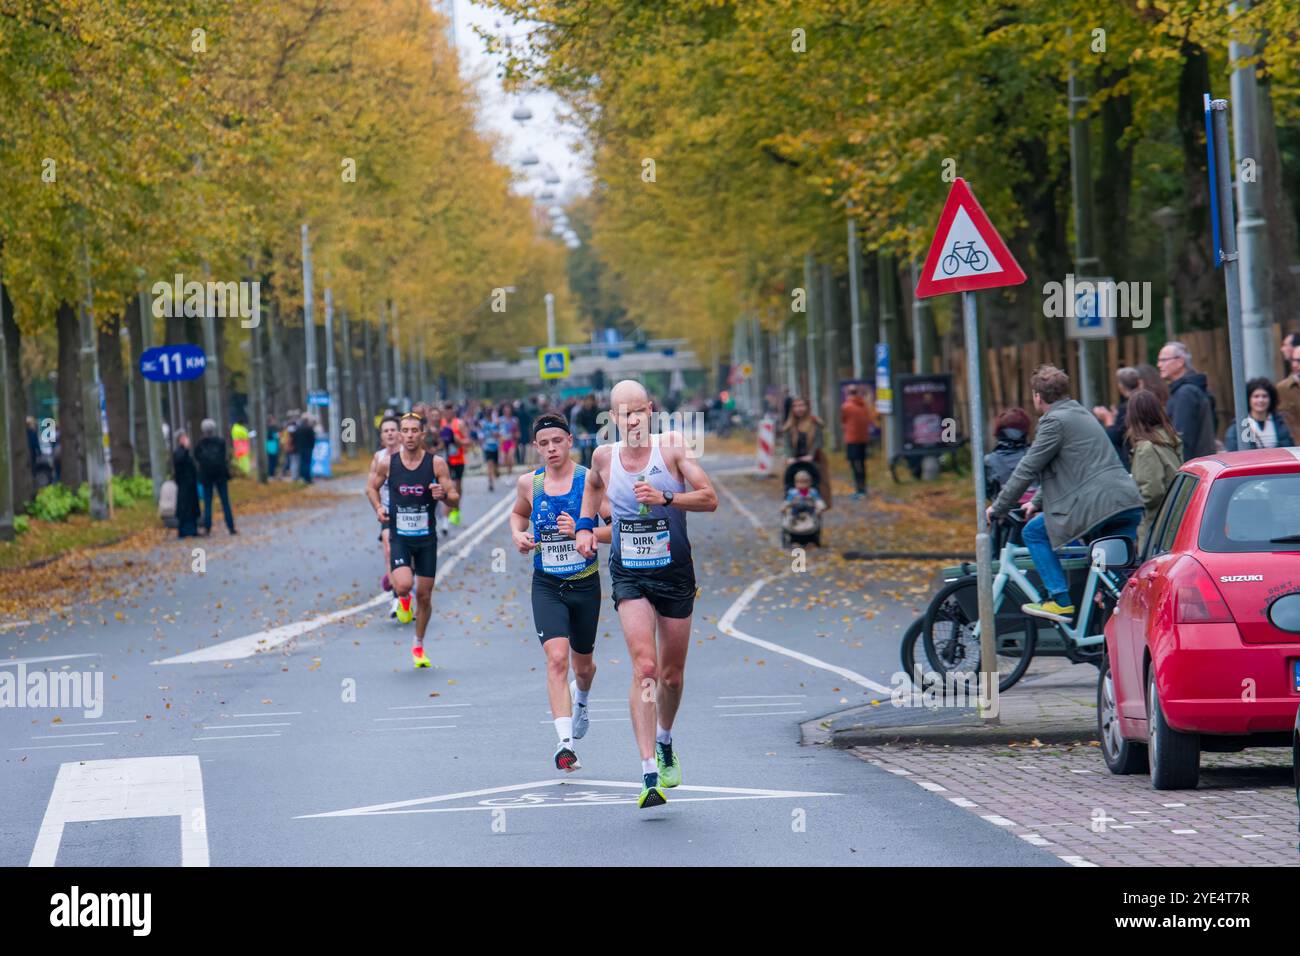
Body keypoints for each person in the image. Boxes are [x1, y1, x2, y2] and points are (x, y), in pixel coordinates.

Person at [575, 380, 718, 810]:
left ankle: (665, 740)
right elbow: (593, 490)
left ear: (650, 411)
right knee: (647, 668)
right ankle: (648, 775)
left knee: (672, 677)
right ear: (612, 418)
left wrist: (666, 497)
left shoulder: (672, 447)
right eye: (624, 413)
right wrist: (584, 528)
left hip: (674, 572)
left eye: (639, 411)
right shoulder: (603, 457)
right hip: (629, 574)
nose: (633, 419)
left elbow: (710, 498)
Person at [988, 365, 1144, 625]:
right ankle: (1105, 642)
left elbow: (1029, 467)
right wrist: (1036, 503)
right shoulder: (1079, 412)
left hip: (1097, 505)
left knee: (1034, 533)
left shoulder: (1054, 422)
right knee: (1117, 584)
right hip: (1123, 501)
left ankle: (1060, 601)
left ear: (1038, 396)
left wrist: (999, 507)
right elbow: (1066, 467)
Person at [509, 413, 611, 773]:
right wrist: (518, 535)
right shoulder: (529, 484)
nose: (551, 448)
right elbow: (518, 515)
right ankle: (564, 745)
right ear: (536, 448)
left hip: (584, 582)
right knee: (556, 660)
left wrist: (585, 533)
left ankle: (581, 698)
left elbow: (617, 530)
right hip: (547, 583)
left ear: (569, 441)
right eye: (544, 443)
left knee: (583, 667)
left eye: (557, 441)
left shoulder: (590, 481)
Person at [366, 411, 457, 668]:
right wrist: (378, 508)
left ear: (422, 434)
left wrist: (443, 496)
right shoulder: (388, 463)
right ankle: (401, 597)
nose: (408, 435)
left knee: (425, 597)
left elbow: (454, 497)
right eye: (404, 430)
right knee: (404, 585)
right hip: (400, 536)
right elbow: (371, 487)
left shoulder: (436, 464)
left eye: (413, 430)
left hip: (426, 538)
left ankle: (418, 645)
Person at [1126, 390, 1183, 549]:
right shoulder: (1170, 440)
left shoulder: (1146, 448)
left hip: (1156, 528)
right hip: (1174, 521)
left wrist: (1133, 504)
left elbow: (1152, 492)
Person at [1158, 340, 1217, 460]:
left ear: (1180, 362)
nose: (1159, 365)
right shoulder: (1191, 390)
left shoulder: (1186, 393)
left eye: (1163, 360)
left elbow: (1182, 440)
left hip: (1193, 468)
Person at [370, 415, 404, 620]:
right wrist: (378, 507)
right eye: (386, 431)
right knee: (389, 549)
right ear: (382, 437)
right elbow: (370, 487)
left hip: (411, 513)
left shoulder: (410, 454)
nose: (390, 433)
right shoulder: (378, 457)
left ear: (400, 433)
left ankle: (401, 583)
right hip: (389, 512)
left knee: (409, 559)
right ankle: (396, 599)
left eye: (393, 429)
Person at [782, 396, 832, 508]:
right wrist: (790, 456)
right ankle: (788, 502)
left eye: (801, 405)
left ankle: (818, 503)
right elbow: (787, 443)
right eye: (795, 406)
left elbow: (818, 441)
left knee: (817, 481)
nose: (799, 409)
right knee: (790, 481)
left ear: (806, 407)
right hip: (794, 460)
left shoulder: (815, 423)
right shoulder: (789, 426)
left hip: (812, 459)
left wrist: (811, 454)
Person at [1224, 377, 1295, 450]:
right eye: (1256, 396)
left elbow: (1289, 447)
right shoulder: (1238, 425)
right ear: (1248, 399)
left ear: (1271, 399)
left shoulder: (1280, 422)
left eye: (1264, 396)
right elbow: (1232, 452)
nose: (1260, 400)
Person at [1092, 366, 1141, 468]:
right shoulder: (1143, 400)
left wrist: (1107, 419)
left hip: (1131, 459)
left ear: (1121, 386)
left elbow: (1115, 437)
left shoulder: (1128, 407)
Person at [194, 418, 236, 536]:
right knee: (225, 501)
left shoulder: (200, 444)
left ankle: (207, 526)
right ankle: (230, 526)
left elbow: (197, 457)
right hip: (220, 475)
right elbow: (224, 457)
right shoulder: (220, 442)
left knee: (208, 502)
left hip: (207, 476)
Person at [983, 407, 1034, 502]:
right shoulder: (1038, 455)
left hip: (1003, 513)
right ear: (1026, 431)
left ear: (998, 431)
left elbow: (988, 494)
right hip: (1039, 512)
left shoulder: (989, 461)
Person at [840, 385, 878, 500]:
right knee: (862, 464)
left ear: (848, 393)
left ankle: (858, 489)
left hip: (852, 439)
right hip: (863, 438)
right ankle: (863, 488)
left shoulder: (846, 406)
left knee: (854, 465)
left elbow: (843, 420)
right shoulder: (864, 405)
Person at [437, 401, 469, 528]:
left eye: (450, 411)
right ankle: (446, 516)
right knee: (447, 486)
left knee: (457, 487)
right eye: (445, 411)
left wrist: (457, 440)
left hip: (458, 460)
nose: (448, 413)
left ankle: (455, 509)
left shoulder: (459, 424)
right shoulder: (440, 425)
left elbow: (468, 441)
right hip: (445, 461)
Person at [172, 430, 201, 539]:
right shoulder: (179, 452)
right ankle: (184, 530)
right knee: (185, 508)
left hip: (190, 484)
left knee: (191, 508)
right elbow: (180, 461)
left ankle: (192, 529)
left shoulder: (185, 452)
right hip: (184, 485)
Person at [1275, 350, 1300, 438]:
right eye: (1293, 360)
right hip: (1292, 447)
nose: (1295, 365)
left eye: (1299, 361)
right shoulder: (1281, 388)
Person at [479, 402, 502, 492]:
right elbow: (480, 434)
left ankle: (496, 472)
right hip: (487, 447)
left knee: (495, 466)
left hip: (495, 447)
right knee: (489, 465)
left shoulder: (495, 422)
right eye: (487, 412)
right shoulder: (482, 423)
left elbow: (499, 433)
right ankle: (490, 483)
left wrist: (496, 433)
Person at [296, 413, 317, 484]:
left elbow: (296, 438)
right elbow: (312, 439)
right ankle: (308, 478)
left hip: (300, 448)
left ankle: (302, 477)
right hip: (308, 448)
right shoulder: (309, 428)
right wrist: (312, 446)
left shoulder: (299, 428)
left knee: (302, 463)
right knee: (307, 463)